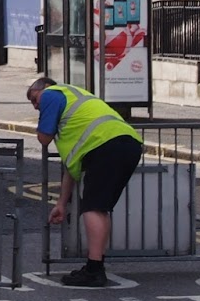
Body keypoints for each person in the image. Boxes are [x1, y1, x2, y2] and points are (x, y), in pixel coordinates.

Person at [27, 76, 145, 287]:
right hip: (127, 144)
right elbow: (72, 169)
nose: (36, 106)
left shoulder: (52, 93)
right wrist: (62, 204)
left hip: (106, 145)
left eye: (34, 99)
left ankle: (94, 270)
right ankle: (95, 265)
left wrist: (44, 120)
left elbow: (43, 138)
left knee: (93, 208)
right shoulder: (75, 105)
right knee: (99, 208)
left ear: (43, 88)